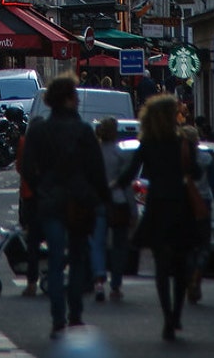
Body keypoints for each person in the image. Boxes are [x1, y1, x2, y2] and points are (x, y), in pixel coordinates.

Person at [21, 73, 108, 340]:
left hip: (50, 201)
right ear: (69, 99)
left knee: (56, 260)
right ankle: (76, 315)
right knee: (78, 259)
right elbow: (97, 170)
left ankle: (58, 320)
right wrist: (99, 198)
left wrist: (40, 190)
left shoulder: (38, 131)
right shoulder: (83, 131)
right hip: (79, 201)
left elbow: (27, 168)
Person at [118, 92, 198, 340]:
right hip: (180, 206)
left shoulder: (148, 143)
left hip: (157, 207)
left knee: (162, 267)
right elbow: (196, 172)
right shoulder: (182, 142)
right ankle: (177, 313)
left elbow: (129, 174)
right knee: (181, 265)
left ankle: (167, 317)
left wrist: (108, 186)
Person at [91, 117, 136, 303]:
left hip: (98, 201)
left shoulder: (94, 154)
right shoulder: (120, 154)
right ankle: (116, 285)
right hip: (118, 202)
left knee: (98, 242)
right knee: (119, 245)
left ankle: (99, 279)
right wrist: (133, 210)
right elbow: (126, 185)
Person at [182, 125, 214, 303]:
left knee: (187, 247)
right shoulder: (206, 159)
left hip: (185, 204)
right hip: (203, 204)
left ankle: (190, 280)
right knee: (203, 246)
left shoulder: (179, 159)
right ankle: (197, 275)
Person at [16, 131, 42, 297]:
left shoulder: (24, 142)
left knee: (32, 239)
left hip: (29, 195)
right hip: (49, 195)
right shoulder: (51, 139)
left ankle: (32, 282)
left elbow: (20, 166)